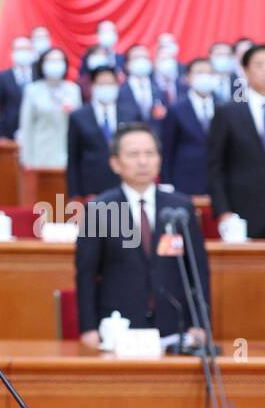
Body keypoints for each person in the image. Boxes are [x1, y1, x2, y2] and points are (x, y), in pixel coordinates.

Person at [76, 122, 210, 347]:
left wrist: (201, 324)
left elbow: (198, 271)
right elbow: (86, 275)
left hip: (175, 327)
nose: (143, 161)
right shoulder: (98, 209)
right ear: (115, 163)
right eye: (133, 154)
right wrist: (88, 328)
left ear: (159, 159)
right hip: (119, 327)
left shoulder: (181, 207)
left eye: (150, 153)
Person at [207, 43, 265, 239]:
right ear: (245, 71)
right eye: (259, 64)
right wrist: (223, 212)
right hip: (243, 213)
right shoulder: (228, 112)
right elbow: (215, 167)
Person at [66, 65, 138, 199]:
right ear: (93, 86)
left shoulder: (130, 114)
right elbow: (73, 158)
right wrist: (75, 194)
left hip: (125, 186)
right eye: (101, 83)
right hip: (91, 189)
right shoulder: (79, 116)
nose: (106, 87)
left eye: (110, 83)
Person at [17, 46, 81, 170]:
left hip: (68, 154)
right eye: (51, 61)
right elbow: (26, 127)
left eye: (59, 61)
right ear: (42, 64)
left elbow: (79, 125)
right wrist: (27, 160)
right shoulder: (32, 91)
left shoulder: (73, 90)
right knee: (45, 189)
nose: (55, 65)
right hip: (40, 155)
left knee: (61, 190)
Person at [161, 58, 217, 196]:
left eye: (209, 73)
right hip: (185, 180)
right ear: (188, 78)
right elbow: (168, 149)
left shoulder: (222, 107)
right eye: (199, 72)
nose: (205, 77)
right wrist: (166, 181)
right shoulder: (176, 109)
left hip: (217, 180)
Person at [0, 35, 35, 140]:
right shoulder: (2, 77)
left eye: (26, 49)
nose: (23, 53)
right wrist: (0, 135)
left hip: (35, 132)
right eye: (19, 49)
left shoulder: (38, 76)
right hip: (9, 133)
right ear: (12, 52)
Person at [118, 44, 167, 124]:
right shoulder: (119, 91)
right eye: (136, 58)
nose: (141, 61)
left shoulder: (160, 89)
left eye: (145, 58)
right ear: (127, 64)